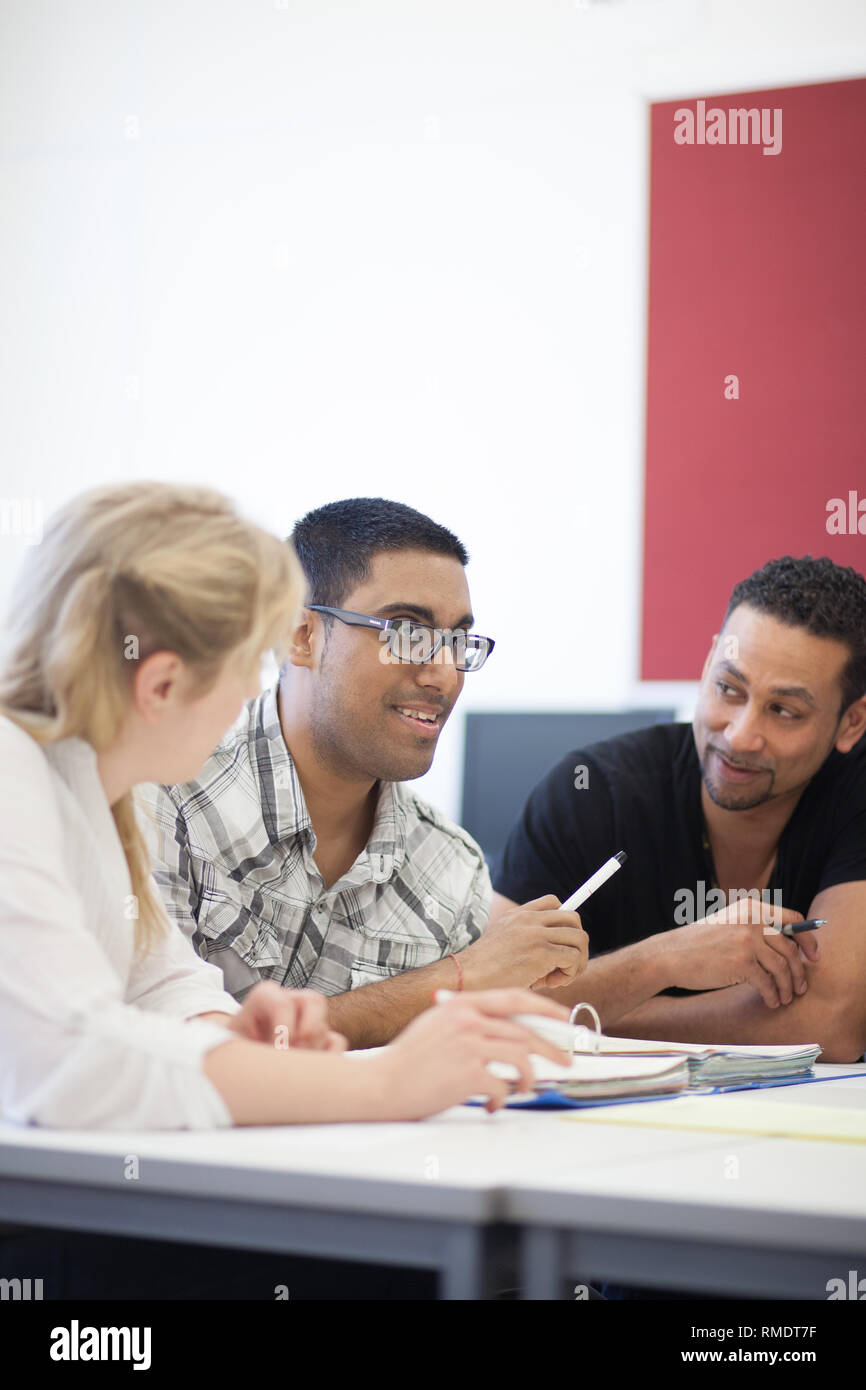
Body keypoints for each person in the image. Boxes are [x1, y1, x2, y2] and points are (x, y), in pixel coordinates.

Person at [0, 481, 574, 1135]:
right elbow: (68, 1062)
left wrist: (232, 1036)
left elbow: (161, 983)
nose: (254, 686)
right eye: (248, 661)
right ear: (161, 684)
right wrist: (386, 1081)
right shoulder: (14, 773)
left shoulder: (104, 796)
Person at [139, 497, 588, 1048]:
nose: (444, 675)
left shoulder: (450, 867)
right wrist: (460, 977)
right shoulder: (166, 796)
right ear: (301, 635)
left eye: (458, 642)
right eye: (407, 633)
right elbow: (159, 1044)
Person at [491, 556, 866, 1063]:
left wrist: (589, 1018)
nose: (739, 735)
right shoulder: (589, 792)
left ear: (852, 723)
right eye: (728, 688)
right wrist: (660, 962)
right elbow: (493, 1003)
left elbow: (832, 1024)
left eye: (784, 711)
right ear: (709, 662)